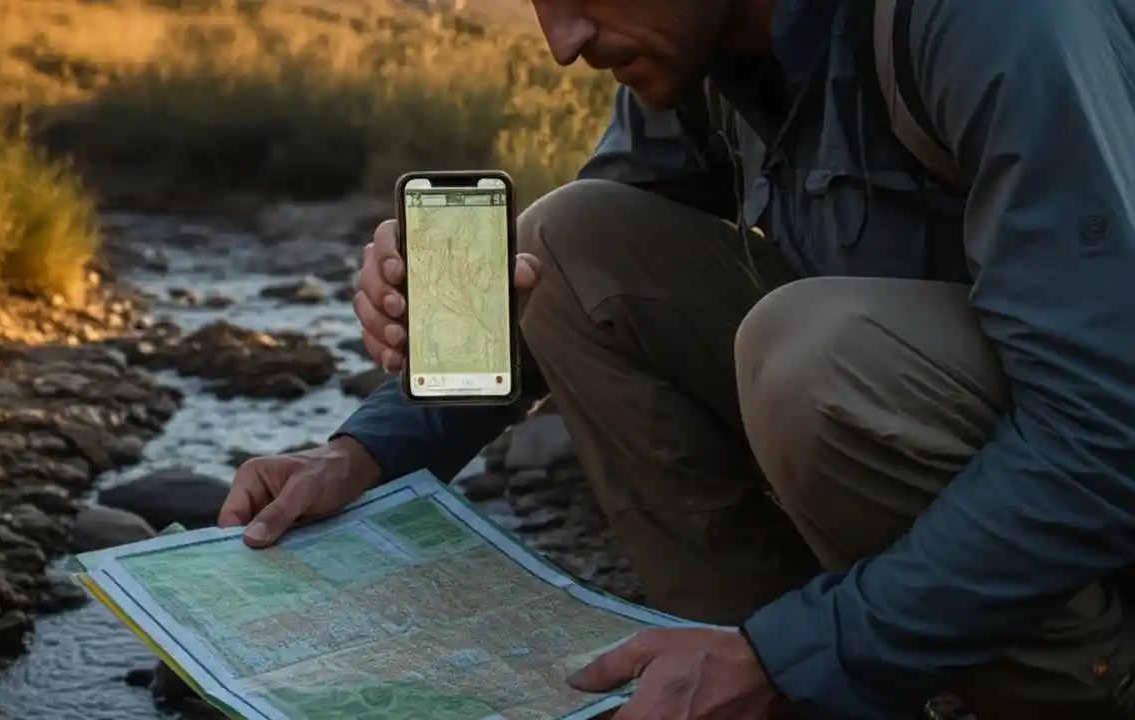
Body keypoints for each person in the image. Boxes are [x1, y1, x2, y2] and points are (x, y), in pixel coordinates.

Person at [218, 0, 1135, 717]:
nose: (563, 42)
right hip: (1002, 466)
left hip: (1094, 512)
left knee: (814, 358)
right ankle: (733, 682)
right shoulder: (709, 49)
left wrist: (798, 656)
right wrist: (363, 454)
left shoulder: (989, 20)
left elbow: (1100, 422)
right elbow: (567, 283)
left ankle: (1060, 691)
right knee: (567, 236)